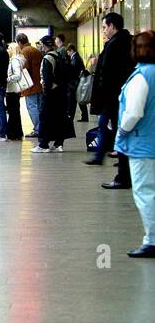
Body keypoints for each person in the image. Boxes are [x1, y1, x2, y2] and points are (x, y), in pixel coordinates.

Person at [116, 31, 155, 258]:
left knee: (145, 191)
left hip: (143, 145)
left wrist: (121, 132)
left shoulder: (141, 77)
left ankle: (151, 241)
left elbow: (133, 113)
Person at [88, 12, 134, 190]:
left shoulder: (115, 45)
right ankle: (122, 168)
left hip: (114, 99)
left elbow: (107, 75)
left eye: (105, 27)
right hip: (117, 98)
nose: (103, 31)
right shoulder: (123, 42)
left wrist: (102, 98)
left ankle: (123, 176)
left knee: (120, 133)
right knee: (118, 132)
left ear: (113, 26)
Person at [31, 35, 75, 153]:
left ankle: (43, 144)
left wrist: (46, 92)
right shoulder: (59, 55)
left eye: (39, 44)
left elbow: (47, 79)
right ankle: (58, 143)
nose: (39, 47)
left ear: (44, 45)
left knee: (45, 117)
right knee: (59, 117)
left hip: (51, 93)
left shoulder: (47, 58)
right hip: (62, 92)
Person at [17, 33, 43, 138]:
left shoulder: (24, 52)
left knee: (32, 107)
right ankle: (41, 128)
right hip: (39, 84)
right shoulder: (36, 50)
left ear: (19, 42)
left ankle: (38, 129)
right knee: (39, 107)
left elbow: (25, 69)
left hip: (30, 86)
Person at [55, 34, 79, 126]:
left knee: (70, 101)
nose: (55, 41)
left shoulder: (62, 50)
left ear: (59, 40)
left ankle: (68, 116)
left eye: (56, 39)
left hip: (69, 81)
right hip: (70, 81)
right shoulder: (62, 50)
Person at [4, 42, 25, 141]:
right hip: (14, 90)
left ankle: (13, 133)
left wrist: (7, 79)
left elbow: (17, 75)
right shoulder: (19, 59)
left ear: (13, 50)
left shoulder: (14, 60)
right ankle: (16, 133)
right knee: (15, 112)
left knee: (13, 112)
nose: (7, 50)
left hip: (12, 89)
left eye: (9, 48)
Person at [72, 46, 91, 122]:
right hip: (79, 79)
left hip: (78, 80)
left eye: (68, 51)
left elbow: (75, 69)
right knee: (80, 99)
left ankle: (84, 116)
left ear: (71, 50)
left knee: (80, 99)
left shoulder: (76, 58)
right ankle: (84, 116)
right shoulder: (77, 57)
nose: (68, 53)